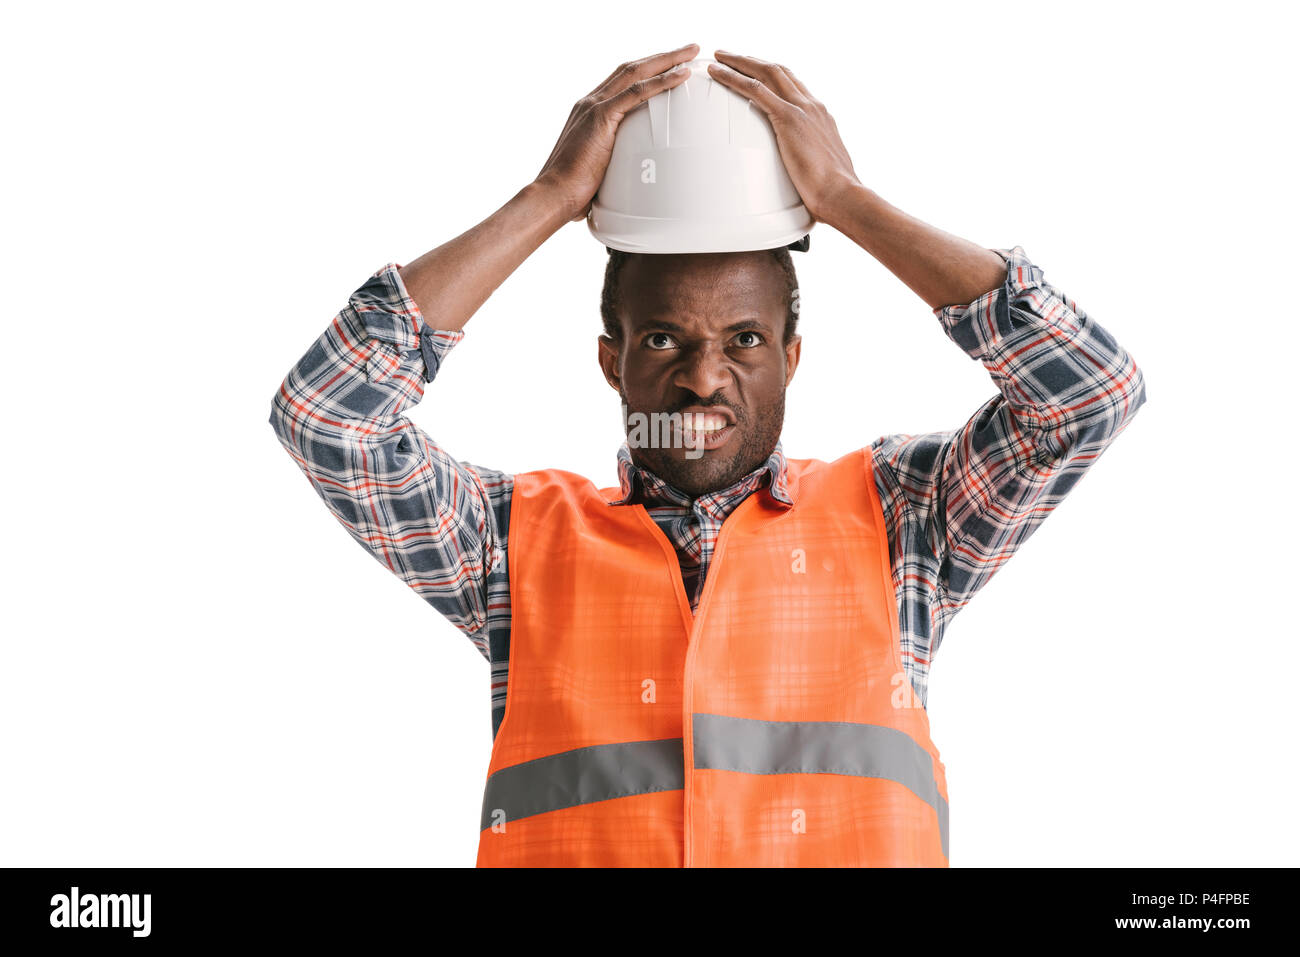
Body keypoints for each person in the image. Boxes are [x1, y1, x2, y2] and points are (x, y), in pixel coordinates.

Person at [268, 44, 1147, 867]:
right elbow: (327, 414)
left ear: (791, 356)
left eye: (745, 338)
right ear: (611, 357)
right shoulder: (511, 542)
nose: (702, 379)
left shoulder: (904, 520)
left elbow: (1089, 393)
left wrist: (845, 200)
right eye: (661, 338)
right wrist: (546, 200)